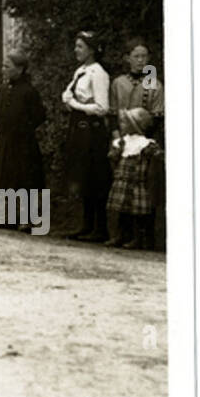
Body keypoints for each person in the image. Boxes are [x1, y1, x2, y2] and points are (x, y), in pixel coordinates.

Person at [62, 30, 112, 242]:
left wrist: (74, 103)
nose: (76, 50)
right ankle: (86, 224)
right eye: (76, 45)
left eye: (80, 46)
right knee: (83, 176)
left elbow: (102, 107)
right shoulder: (81, 71)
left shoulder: (98, 73)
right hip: (80, 129)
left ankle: (100, 229)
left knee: (95, 178)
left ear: (92, 50)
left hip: (93, 131)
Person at [0, 51, 46, 226]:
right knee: (4, 178)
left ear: (20, 69)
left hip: (23, 143)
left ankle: (27, 219)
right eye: (3, 66)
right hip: (4, 141)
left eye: (7, 66)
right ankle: (7, 217)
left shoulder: (29, 92)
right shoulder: (0, 91)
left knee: (24, 179)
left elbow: (38, 116)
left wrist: (23, 130)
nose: (3, 69)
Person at [106, 107, 162, 250]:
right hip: (123, 180)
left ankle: (138, 238)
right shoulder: (123, 142)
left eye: (125, 123)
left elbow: (155, 158)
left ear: (135, 125)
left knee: (137, 213)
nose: (122, 125)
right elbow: (114, 156)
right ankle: (121, 235)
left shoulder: (146, 144)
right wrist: (114, 155)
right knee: (122, 210)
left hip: (138, 181)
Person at [110, 38, 164, 147]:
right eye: (136, 56)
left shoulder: (153, 83)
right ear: (127, 58)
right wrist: (117, 138)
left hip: (146, 139)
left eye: (143, 56)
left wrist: (144, 141)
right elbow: (112, 114)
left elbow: (157, 116)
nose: (140, 60)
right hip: (122, 139)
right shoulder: (118, 83)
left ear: (148, 58)